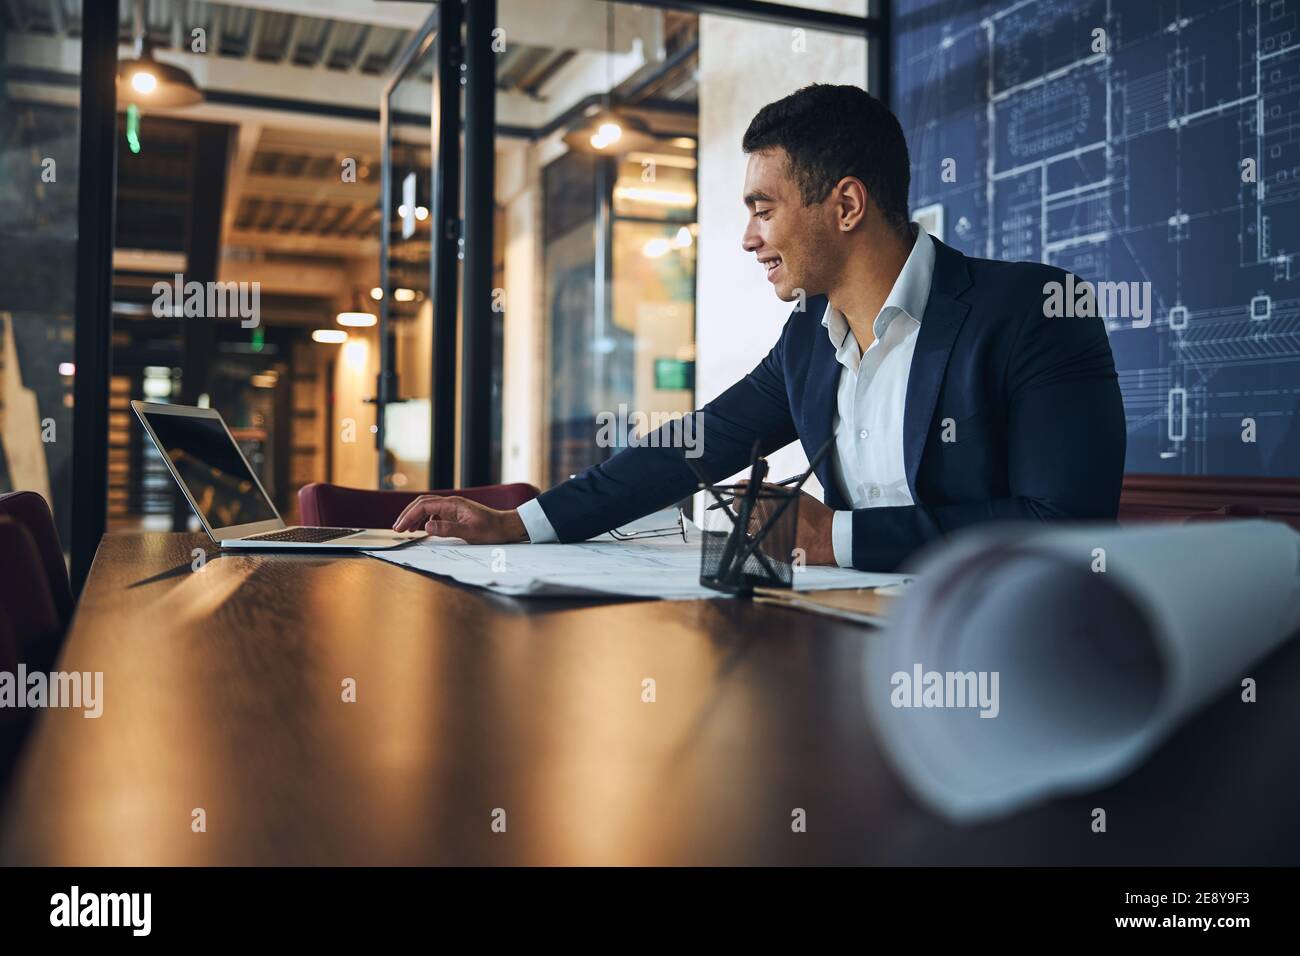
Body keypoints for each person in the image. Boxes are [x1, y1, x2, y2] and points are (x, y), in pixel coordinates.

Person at [393, 84, 1126, 572]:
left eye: (762, 208)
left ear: (846, 206)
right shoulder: (809, 338)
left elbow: (1064, 523)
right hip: (842, 641)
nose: (748, 238)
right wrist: (519, 524)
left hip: (1007, 647)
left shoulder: (1034, 310)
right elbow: (689, 446)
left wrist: (829, 537)